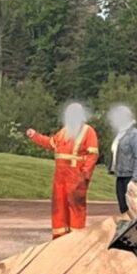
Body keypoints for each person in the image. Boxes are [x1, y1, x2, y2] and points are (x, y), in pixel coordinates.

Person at [26, 102, 99, 238]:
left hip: (76, 176)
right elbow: (51, 142)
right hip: (60, 177)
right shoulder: (65, 131)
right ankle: (60, 238)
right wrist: (34, 136)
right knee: (59, 207)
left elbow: (92, 155)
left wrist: (84, 175)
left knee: (75, 207)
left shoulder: (88, 131)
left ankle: (76, 238)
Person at [106, 104, 137, 218]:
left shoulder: (133, 133)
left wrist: (134, 180)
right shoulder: (120, 133)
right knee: (123, 207)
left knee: (135, 208)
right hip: (120, 175)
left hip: (130, 176)